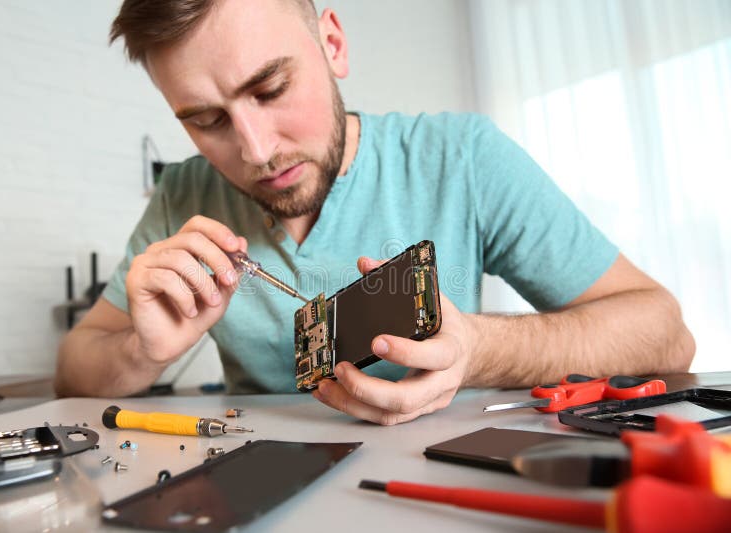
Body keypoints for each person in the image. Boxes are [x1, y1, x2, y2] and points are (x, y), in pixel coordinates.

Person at [54, 0, 695, 425]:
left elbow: (667, 334)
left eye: (270, 88)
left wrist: (477, 348)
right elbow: (74, 367)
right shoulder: (182, 196)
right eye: (206, 120)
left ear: (332, 43)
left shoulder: (462, 157)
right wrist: (142, 352)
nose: (256, 150)